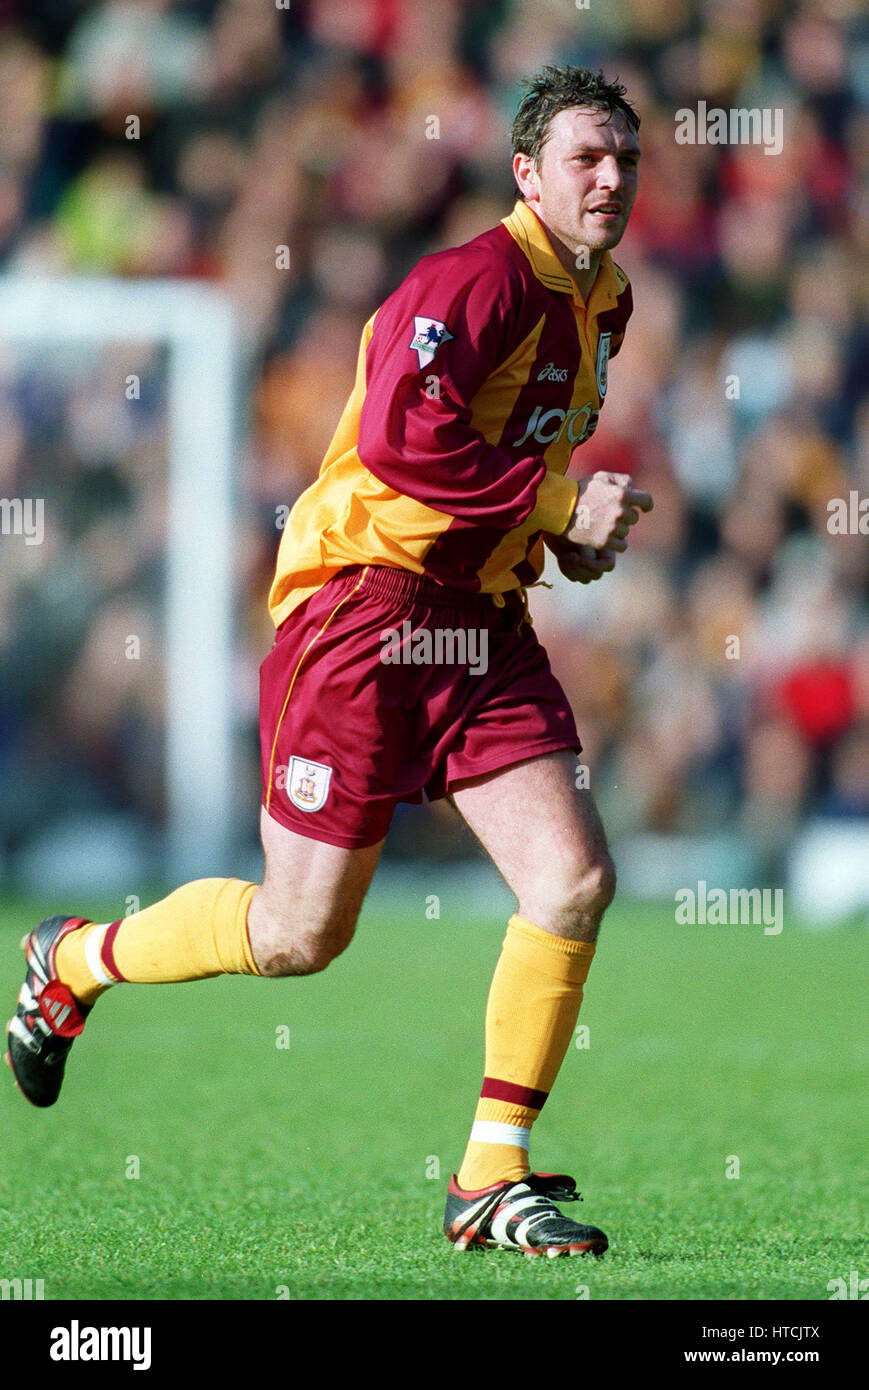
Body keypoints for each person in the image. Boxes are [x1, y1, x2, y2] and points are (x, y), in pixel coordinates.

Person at [6, 65, 652, 1259]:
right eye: (584, 158)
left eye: (622, 158)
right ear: (526, 174)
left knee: (568, 880)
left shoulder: (602, 299)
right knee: (301, 935)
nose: (609, 178)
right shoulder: (474, 278)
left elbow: (503, 457)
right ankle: (74, 958)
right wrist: (559, 503)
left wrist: (549, 534)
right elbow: (409, 443)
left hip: (480, 624)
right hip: (366, 615)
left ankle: (487, 1176)